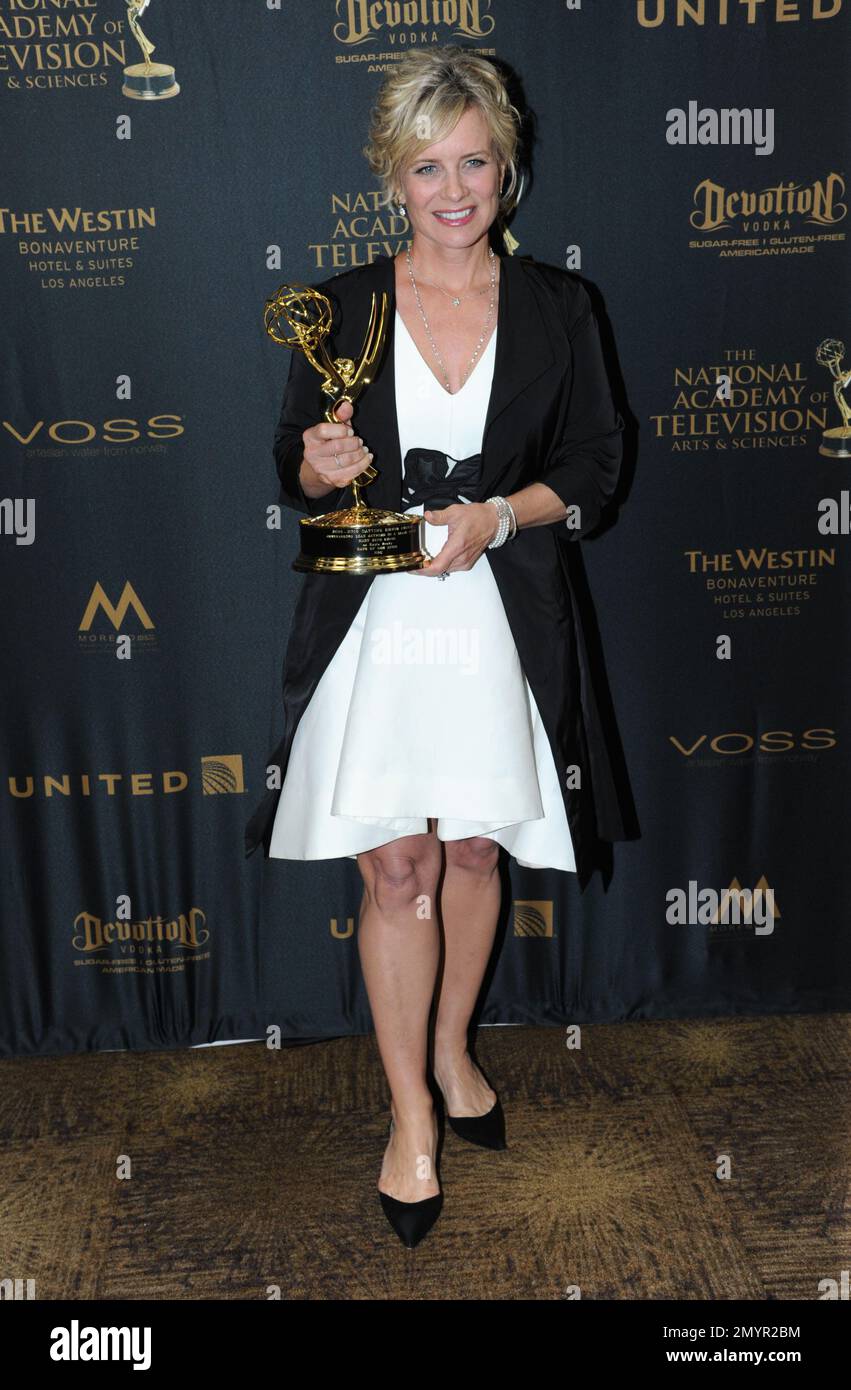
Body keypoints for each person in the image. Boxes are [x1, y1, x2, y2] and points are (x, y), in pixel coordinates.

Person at [245, 45, 627, 1248]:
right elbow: (293, 461)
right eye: (426, 165)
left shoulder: (562, 306)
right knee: (393, 867)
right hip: (378, 620)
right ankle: (411, 1113)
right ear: (392, 176)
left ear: (506, 169)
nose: (451, 187)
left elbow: (594, 470)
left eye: (473, 161)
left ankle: (455, 1049)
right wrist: (318, 464)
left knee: (470, 853)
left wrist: (495, 515)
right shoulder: (342, 306)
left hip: (497, 615)